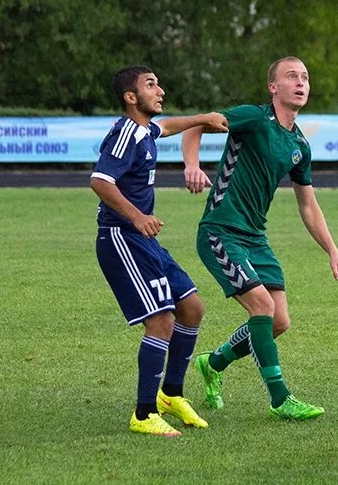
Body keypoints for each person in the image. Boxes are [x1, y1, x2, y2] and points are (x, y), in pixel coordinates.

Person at [182, 56, 338, 420]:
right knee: (262, 307)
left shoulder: (300, 146)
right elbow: (196, 125)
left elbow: (308, 205)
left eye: (305, 76)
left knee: (278, 322)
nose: (301, 82)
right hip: (220, 230)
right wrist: (191, 165)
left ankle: (214, 362)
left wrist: (332, 251)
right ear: (274, 87)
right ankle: (280, 399)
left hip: (256, 237)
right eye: (292, 76)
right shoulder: (254, 117)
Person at [91, 65, 228, 437]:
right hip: (121, 237)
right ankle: (144, 412)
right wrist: (137, 217)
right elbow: (100, 181)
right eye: (151, 85)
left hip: (143, 239)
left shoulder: (145, 129)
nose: (160, 90)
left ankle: (171, 395)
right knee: (162, 320)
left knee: (192, 308)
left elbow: (165, 126)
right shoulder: (124, 133)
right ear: (130, 98)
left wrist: (203, 119)